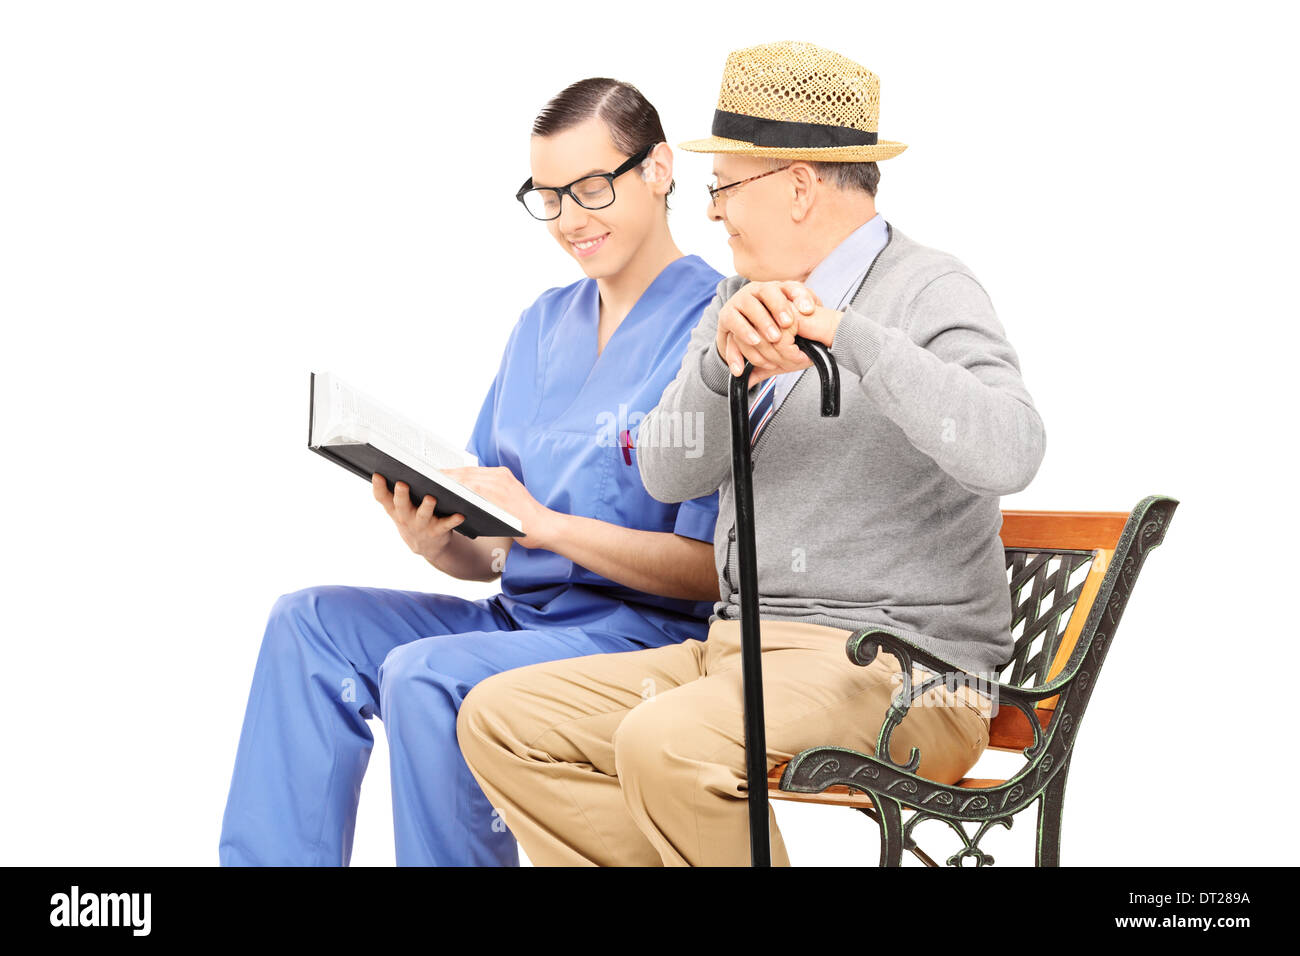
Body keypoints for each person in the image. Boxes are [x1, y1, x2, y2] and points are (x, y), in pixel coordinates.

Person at [456, 41, 1048, 866]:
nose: (711, 213)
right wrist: (718, 365)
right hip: (732, 657)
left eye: (723, 187)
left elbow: (1012, 448)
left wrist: (847, 336)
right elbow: (667, 471)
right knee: (503, 719)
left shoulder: (927, 288)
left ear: (799, 186)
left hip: (905, 677)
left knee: (667, 740)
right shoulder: (735, 301)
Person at [218, 77, 725, 866]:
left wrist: (553, 529)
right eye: (549, 196)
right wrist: (437, 541)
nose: (571, 220)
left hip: (638, 639)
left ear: (659, 169)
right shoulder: (541, 325)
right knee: (307, 621)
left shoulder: (720, 327)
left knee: (427, 675)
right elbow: (496, 543)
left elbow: (709, 573)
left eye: (592, 187)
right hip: (516, 624)